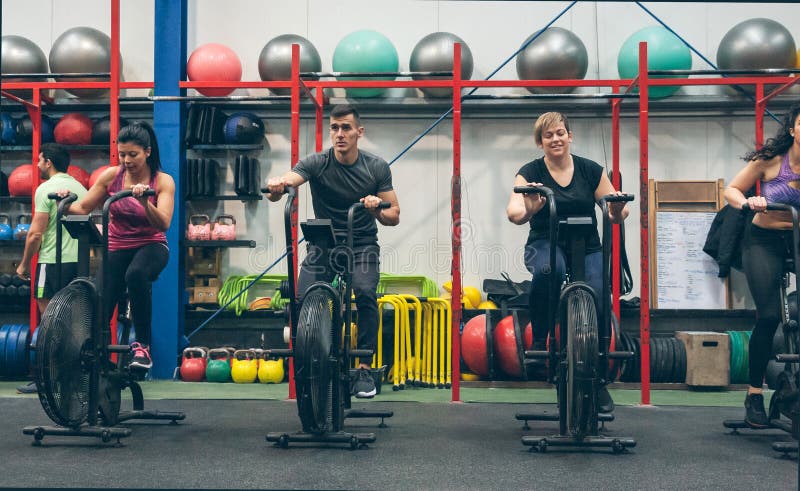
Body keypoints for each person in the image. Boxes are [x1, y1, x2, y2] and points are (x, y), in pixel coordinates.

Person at [266, 104, 400, 398]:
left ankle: (364, 367)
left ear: (359, 133)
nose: (340, 134)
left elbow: (394, 215)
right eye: (335, 128)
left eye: (346, 128)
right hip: (323, 243)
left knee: (365, 293)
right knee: (301, 297)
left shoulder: (375, 167)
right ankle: (309, 359)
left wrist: (377, 208)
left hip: (361, 242)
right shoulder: (317, 162)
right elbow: (290, 181)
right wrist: (278, 185)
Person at [506, 111, 629, 411]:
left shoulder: (590, 170)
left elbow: (615, 210)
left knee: (600, 293)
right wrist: (531, 208)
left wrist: (617, 209)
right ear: (540, 142)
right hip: (543, 243)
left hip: (586, 247)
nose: (555, 139)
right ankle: (540, 341)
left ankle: (596, 375)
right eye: (548, 135)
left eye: (560, 132)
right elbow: (514, 213)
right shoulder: (529, 172)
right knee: (551, 270)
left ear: (570, 136)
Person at [62, 121, 175, 372]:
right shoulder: (111, 176)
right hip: (117, 246)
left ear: (147, 152)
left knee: (135, 275)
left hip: (151, 245)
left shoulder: (163, 181)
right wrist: (64, 200)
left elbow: (164, 223)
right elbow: (82, 208)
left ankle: (143, 347)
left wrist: (145, 202)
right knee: (100, 297)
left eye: (132, 155)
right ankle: (97, 354)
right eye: (122, 154)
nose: (126, 160)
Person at [724, 103, 800, 428]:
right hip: (763, 239)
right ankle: (754, 393)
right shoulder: (770, 161)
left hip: (796, 237)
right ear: (793, 129)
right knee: (769, 317)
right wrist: (747, 202)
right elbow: (731, 189)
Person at [15, 143, 87, 393]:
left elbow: (35, 233)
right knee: (73, 321)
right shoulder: (81, 187)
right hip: (78, 263)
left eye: (39, 160)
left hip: (51, 261)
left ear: (49, 163)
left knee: (50, 322)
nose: (36, 165)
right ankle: (72, 376)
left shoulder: (45, 189)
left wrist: (24, 264)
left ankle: (48, 378)